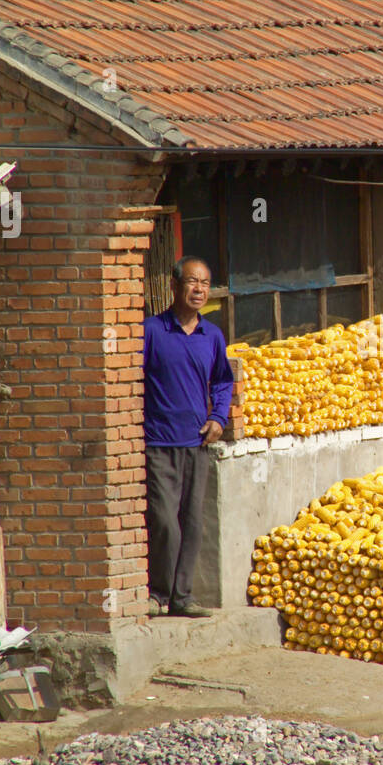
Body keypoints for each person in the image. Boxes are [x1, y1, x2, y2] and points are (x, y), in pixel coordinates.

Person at [142, 255, 233, 617]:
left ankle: (183, 597)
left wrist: (218, 418)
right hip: (160, 442)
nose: (199, 289)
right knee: (164, 519)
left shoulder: (212, 335)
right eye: (192, 282)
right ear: (175, 286)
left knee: (192, 521)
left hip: (197, 443)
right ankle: (159, 593)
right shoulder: (152, 330)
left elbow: (223, 381)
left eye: (205, 284)